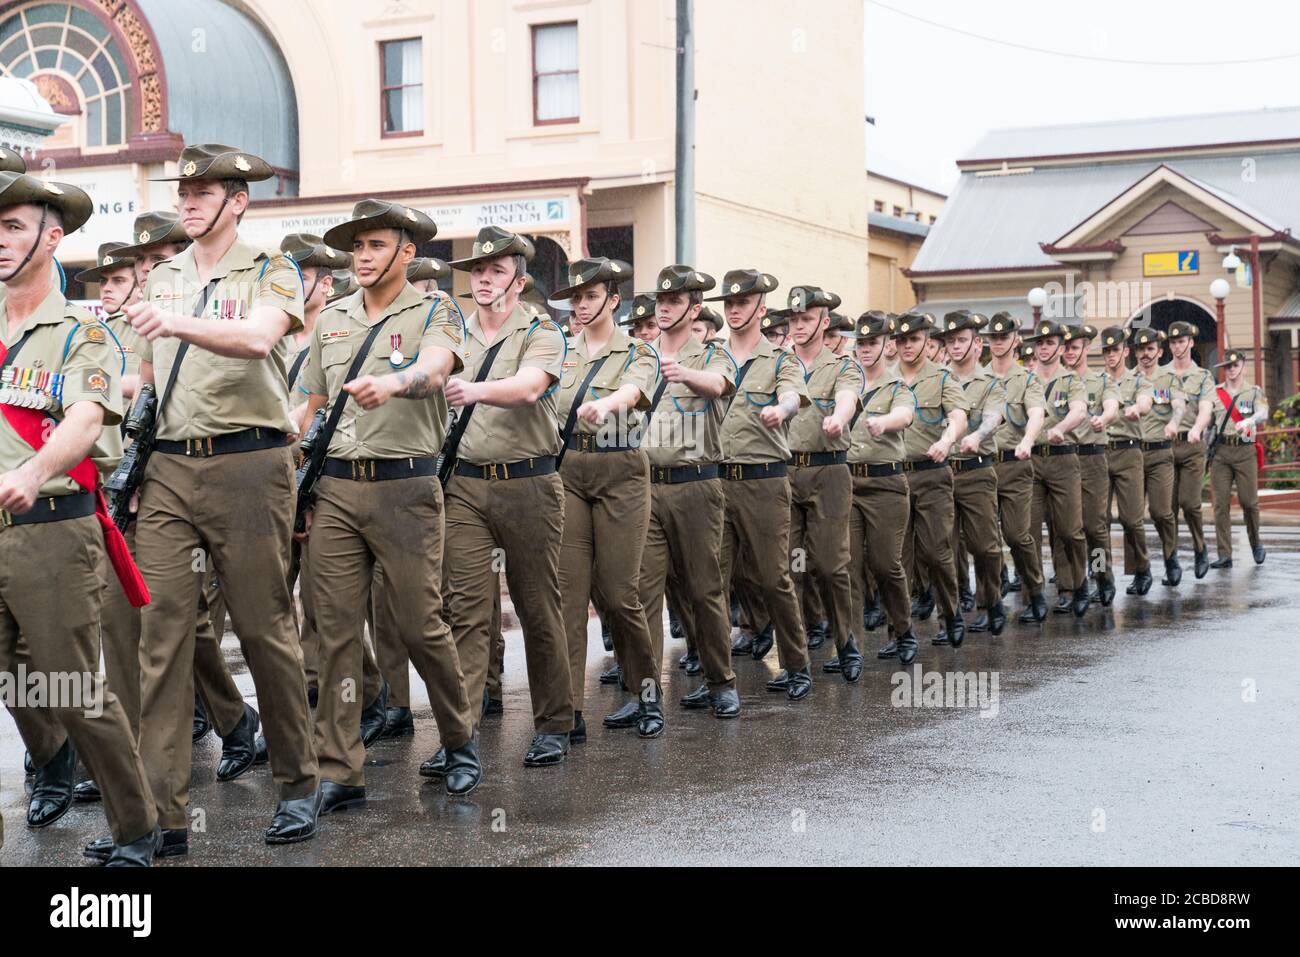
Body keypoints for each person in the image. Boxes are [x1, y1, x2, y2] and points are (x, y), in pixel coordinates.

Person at [124, 144, 322, 851]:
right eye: (185, 189)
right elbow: (147, 378)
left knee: (264, 627)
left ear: (239, 199)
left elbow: (257, 338)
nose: (190, 199)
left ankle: (300, 782)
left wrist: (175, 323)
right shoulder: (167, 275)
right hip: (173, 467)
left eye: (206, 189)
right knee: (162, 638)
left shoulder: (272, 269)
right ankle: (159, 817)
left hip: (251, 459)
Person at [295, 199, 480, 811]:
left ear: (407, 250)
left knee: (419, 624)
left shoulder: (436, 308)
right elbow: (309, 401)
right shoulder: (332, 318)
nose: (364, 257)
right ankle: (339, 770)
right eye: (358, 247)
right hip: (338, 490)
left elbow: (435, 367)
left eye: (377, 245)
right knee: (333, 631)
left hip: (407, 488)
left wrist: (395, 382)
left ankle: (458, 740)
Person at [0, 170, 160, 865]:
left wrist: (34, 471)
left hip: (51, 528)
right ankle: (54, 754)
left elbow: (88, 416)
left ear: (51, 236)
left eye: (11, 225)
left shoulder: (78, 333)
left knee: (71, 681)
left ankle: (136, 825)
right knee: (12, 675)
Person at [438, 226, 574, 769]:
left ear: (518, 281)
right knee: (466, 611)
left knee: (539, 608)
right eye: (477, 270)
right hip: (466, 484)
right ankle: (462, 736)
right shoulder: (451, 336)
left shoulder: (541, 331)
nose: (484, 279)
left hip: (530, 483)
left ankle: (555, 722)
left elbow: (530, 387)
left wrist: (474, 390)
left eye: (496, 271)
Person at [549, 257, 664, 738]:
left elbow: (635, 392)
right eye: (575, 298)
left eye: (590, 296)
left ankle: (647, 694)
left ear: (614, 302)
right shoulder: (558, 350)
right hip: (570, 470)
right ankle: (568, 709)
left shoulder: (638, 352)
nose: (580, 305)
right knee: (569, 597)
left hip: (621, 471)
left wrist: (606, 403)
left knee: (620, 594)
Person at [637, 264, 741, 718]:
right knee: (640, 594)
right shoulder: (637, 356)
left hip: (696, 487)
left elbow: (719, 385)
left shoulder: (712, 356)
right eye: (660, 301)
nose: (664, 308)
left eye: (675, 301)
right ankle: (644, 696)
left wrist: (683, 373)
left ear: (695, 308)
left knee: (704, 590)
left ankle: (721, 682)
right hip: (643, 490)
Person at [709, 269, 820, 694]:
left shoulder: (781, 359)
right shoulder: (713, 358)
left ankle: (797, 664)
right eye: (730, 304)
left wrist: (784, 408)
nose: (735, 310)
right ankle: (716, 676)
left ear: (762, 309)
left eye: (743, 303)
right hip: (718, 482)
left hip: (764, 482)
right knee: (711, 582)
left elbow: (793, 393)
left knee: (775, 577)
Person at [784, 285, 864, 674]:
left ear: (824, 321)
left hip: (828, 472)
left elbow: (848, 396)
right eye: (794, 319)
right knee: (792, 566)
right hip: (784, 475)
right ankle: (796, 657)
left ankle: (846, 642)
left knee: (831, 565)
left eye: (807, 319)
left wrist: (840, 417)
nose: (799, 326)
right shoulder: (780, 363)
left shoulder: (842, 365)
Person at [840, 312, 918, 664]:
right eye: (861, 343)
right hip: (848, 485)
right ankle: (850, 645)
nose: (865, 349)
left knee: (886, 564)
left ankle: (902, 629)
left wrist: (882, 423)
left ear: (887, 345)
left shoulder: (897, 386)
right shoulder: (847, 384)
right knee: (849, 566)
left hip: (886, 485)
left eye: (872, 343)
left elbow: (905, 415)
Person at [895, 311, 969, 645]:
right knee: (896, 559)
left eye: (913, 339)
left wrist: (946, 440)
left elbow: (958, 416)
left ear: (927, 340)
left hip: (931, 475)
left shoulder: (942, 377)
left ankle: (950, 615)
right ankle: (899, 631)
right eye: (901, 340)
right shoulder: (885, 377)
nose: (907, 346)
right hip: (894, 478)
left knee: (938, 552)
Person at [942, 310, 1008, 637]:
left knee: (984, 546)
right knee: (943, 547)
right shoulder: (937, 380)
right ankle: (951, 613)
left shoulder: (989, 384)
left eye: (962, 340)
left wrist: (976, 436)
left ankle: (991, 601)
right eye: (951, 340)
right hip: (941, 473)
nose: (956, 346)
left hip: (977, 471)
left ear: (977, 343)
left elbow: (994, 417)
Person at [1023, 319, 1090, 617]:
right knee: (1029, 531)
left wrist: (1061, 427)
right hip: (1031, 460)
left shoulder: (1071, 380)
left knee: (1069, 529)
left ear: (1061, 348)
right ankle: (1034, 595)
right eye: (1039, 343)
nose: (1044, 348)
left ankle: (1076, 584)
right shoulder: (1025, 380)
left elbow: (1079, 410)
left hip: (1063, 458)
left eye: (1050, 343)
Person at [984, 313, 1048, 623]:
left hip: (1015, 464)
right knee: (983, 540)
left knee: (1017, 535)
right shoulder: (977, 379)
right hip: (981, 467)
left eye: (1004, 337)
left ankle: (1035, 588)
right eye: (993, 338)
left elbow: (1036, 413)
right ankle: (990, 603)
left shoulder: (1027, 379)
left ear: (1015, 339)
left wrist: (1028, 440)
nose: (998, 342)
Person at [1059, 323, 1119, 605]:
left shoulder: (1102, 381)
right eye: (1066, 347)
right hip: (1060, 458)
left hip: (1091, 456)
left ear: (1086, 348)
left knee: (1094, 525)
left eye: (1074, 347)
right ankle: (1072, 584)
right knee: (1066, 528)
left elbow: (1111, 406)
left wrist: (1103, 419)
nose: (1069, 352)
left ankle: (1102, 577)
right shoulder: (1054, 381)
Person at [1130, 326, 1186, 588]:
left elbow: (1178, 405)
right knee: (1131, 518)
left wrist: (1174, 423)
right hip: (1131, 454)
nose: (1145, 354)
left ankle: (1171, 557)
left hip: (1160, 453)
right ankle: (1140, 570)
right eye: (1141, 349)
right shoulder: (1128, 379)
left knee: (1161, 512)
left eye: (1150, 348)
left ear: (1159, 351)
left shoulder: (1169, 379)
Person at [1099, 326, 1153, 596]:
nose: (1110, 355)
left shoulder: (1138, 380)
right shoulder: (1096, 382)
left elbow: (1146, 402)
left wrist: (1136, 408)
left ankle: (1142, 568)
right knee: (1097, 521)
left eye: (1115, 350)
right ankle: (1101, 574)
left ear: (1126, 351)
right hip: (1098, 454)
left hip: (1128, 453)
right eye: (1106, 350)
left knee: (1131, 518)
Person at [1161, 320, 1215, 578]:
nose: (1177, 346)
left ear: (1191, 343)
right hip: (1165, 447)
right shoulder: (1160, 375)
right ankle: (1170, 559)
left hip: (1192, 445)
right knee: (1165, 509)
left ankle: (1200, 548)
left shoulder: (1203, 376)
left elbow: (1205, 408)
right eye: (1173, 342)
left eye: (1181, 341)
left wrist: (1197, 428)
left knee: (1190, 503)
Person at [1208, 350, 1268, 568]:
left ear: (1243, 365)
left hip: (1245, 451)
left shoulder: (1253, 391)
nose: (1231, 370)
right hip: (1222, 452)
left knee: (1249, 502)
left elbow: (1264, 412)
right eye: (1227, 366)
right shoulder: (1215, 393)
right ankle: (1225, 554)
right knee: (1220, 505)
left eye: (1235, 365)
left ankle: (1256, 543)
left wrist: (1250, 420)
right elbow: (1208, 421)